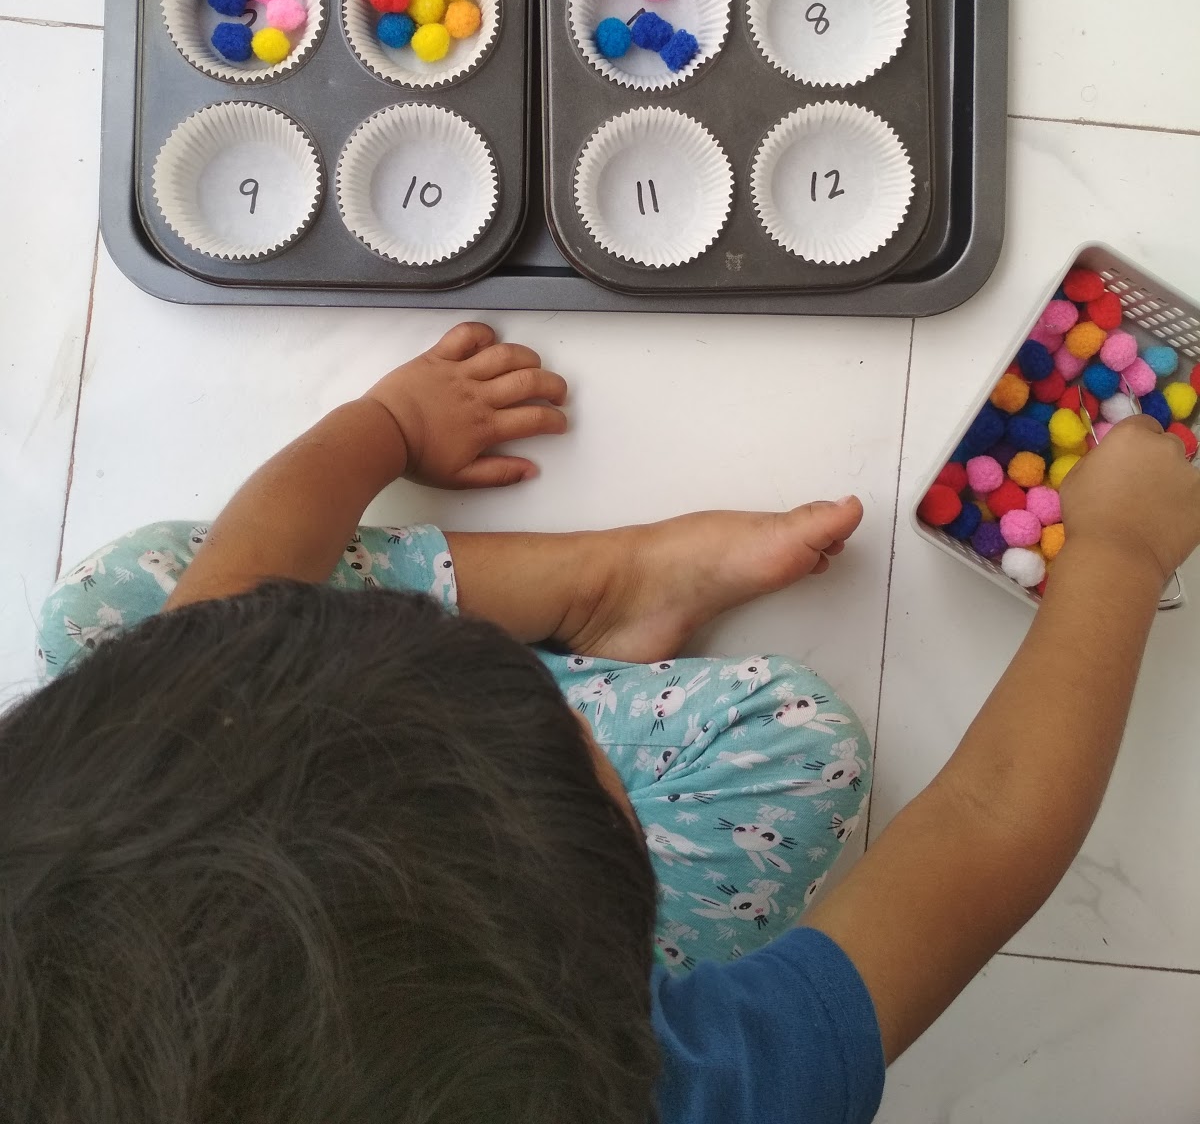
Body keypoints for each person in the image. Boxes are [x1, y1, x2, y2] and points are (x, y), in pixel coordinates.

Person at [3, 322, 1197, 1124]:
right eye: (576, 752)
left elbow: (245, 587)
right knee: (801, 742)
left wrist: (386, 423)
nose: (573, 721)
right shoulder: (696, 1085)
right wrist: (1123, 551)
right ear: (600, 980)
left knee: (129, 597)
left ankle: (606, 584)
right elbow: (991, 829)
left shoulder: (164, 757)